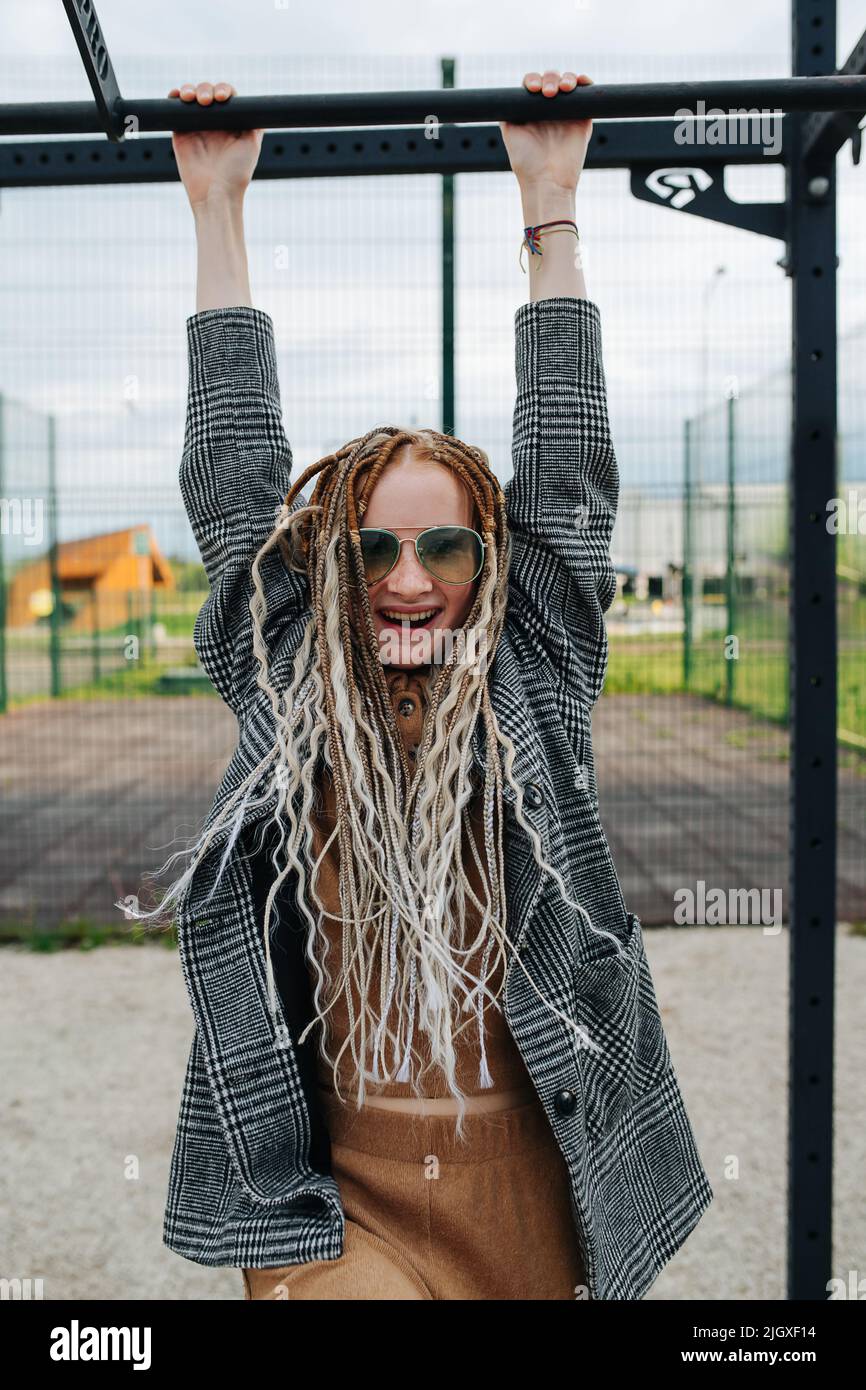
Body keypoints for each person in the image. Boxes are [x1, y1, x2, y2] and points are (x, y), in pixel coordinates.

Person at [124, 68, 713, 1301]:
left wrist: (549, 196)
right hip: (353, 1203)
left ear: (485, 565)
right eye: (373, 548)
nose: (407, 576)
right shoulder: (288, 688)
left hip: (538, 1188)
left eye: (442, 545)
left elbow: (568, 475)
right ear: (334, 568)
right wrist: (218, 207)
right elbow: (235, 489)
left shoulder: (533, 681)